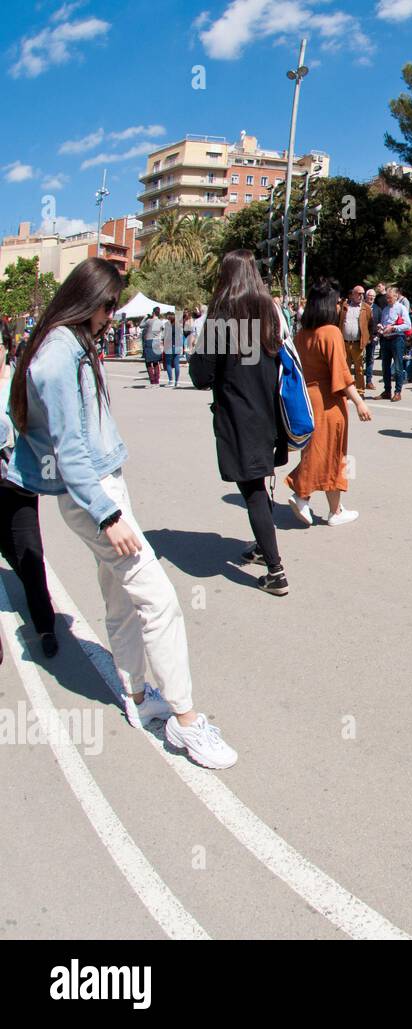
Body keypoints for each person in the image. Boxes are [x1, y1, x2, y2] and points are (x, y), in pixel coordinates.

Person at [4, 258, 237, 768]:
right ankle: (187, 720)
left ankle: (137, 698)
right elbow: (68, 450)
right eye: (109, 305)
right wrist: (109, 514)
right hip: (95, 499)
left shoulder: (70, 344)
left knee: (121, 599)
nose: (112, 316)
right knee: (160, 600)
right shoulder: (57, 356)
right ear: (89, 300)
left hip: (100, 491)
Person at [189, 250, 292, 596]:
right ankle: (264, 548)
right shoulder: (268, 312)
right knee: (257, 483)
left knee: (253, 491)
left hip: (239, 416)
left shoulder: (223, 316)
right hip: (268, 413)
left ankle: (276, 570)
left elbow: (202, 374)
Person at [285, 282, 373, 528]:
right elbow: (342, 374)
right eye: (337, 302)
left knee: (319, 452)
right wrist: (359, 403)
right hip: (328, 402)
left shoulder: (301, 335)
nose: (340, 306)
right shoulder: (331, 332)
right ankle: (302, 493)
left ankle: (335, 509)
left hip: (306, 399)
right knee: (333, 454)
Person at [0, 348, 57, 657]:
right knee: (8, 548)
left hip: (18, 480)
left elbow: (37, 426)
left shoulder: (18, 382)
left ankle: (45, 624)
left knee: (29, 549)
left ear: (4, 349)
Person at [377, 285, 411, 402]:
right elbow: (384, 323)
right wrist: (381, 327)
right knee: (385, 367)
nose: (387, 300)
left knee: (398, 367)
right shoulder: (385, 309)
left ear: (396, 296)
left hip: (397, 339)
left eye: (389, 297)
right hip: (386, 340)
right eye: (387, 297)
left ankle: (398, 392)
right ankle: (387, 391)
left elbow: (407, 325)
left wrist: (393, 328)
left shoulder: (401, 308)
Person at [337, 284, 372, 394]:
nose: (361, 296)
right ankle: (345, 391)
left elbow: (370, 324)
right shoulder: (345, 306)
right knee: (345, 368)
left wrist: (367, 338)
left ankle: (360, 391)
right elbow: (339, 321)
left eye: (362, 294)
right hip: (344, 343)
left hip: (358, 344)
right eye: (359, 294)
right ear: (353, 294)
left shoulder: (366, 308)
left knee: (359, 369)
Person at [141, 307, 166, 386]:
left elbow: (141, 325)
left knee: (148, 362)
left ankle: (152, 380)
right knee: (156, 362)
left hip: (149, 341)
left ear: (153, 313)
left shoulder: (148, 321)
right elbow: (163, 330)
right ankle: (157, 380)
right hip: (157, 341)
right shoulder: (160, 322)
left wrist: (145, 317)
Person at [363, 287, 380, 391]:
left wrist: (378, 336)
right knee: (358, 360)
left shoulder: (378, 309)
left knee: (370, 359)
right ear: (366, 296)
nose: (372, 298)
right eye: (370, 296)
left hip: (372, 338)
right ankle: (358, 381)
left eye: (373, 296)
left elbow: (380, 323)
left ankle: (368, 381)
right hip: (360, 337)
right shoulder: (361, 307)